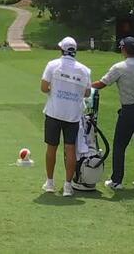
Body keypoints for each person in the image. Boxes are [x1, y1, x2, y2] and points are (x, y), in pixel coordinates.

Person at [92, 36, 134, 190]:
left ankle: (117, 181)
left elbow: (101, 84)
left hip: (129, 111)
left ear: (124, 49)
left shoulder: (119, 67)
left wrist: (84, 86)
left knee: (119, 145)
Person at [41, 37, 92, 196]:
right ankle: (68, 186)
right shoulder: (84, 70)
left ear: (61, 50)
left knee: (52, 147)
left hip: (54, 112)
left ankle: (50, 183)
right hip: (73, 115)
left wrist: (54, 91)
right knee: (70, 149)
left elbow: (44, 87)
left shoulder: (52, 65)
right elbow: (88, 92)